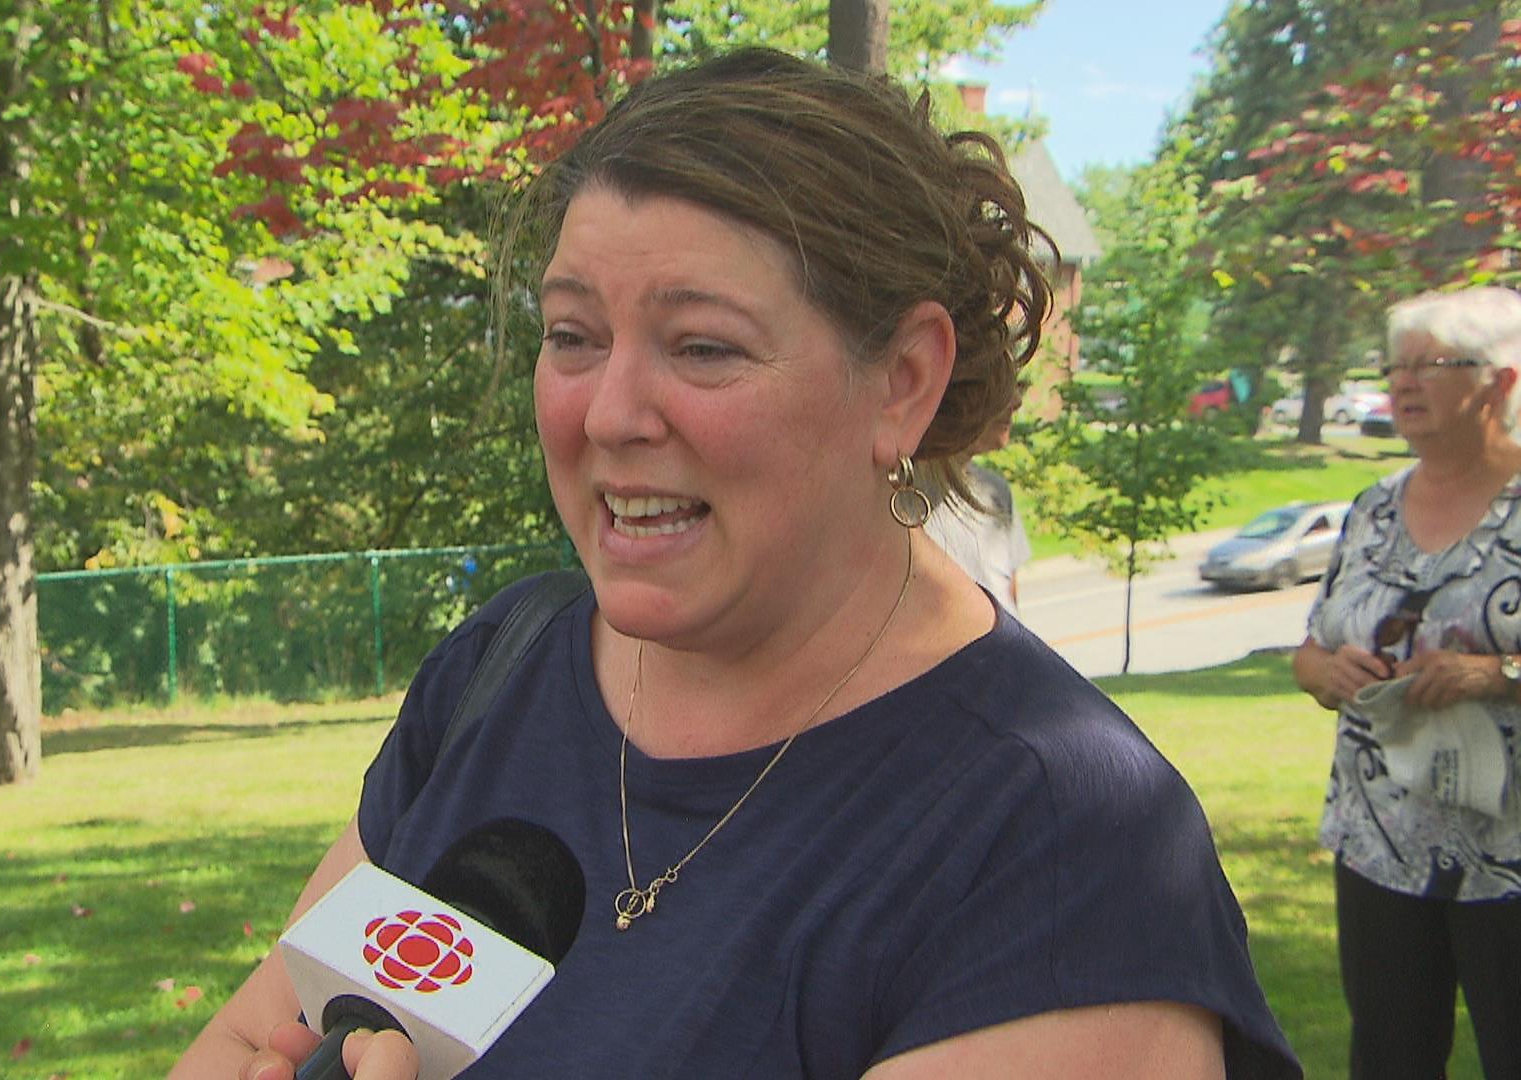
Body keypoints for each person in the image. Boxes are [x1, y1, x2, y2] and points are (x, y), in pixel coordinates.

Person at [175, 48, 1300, 1080]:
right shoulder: (498, 672)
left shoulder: (1050, 846)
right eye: (571, 335)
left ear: (902, 378)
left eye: (700, 346)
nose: (608, 412)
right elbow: (246, 1034)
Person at [1291, 285, 1521, 1080]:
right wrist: (1331, 671)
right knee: (1389, 1059)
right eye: (1395, 367)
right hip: (1379, 843)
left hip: (1509, 854)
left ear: (1500, 382)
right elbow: (1308, 654)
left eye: (1431, 365)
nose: (1402, 384)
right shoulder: (1372, 509)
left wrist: (1497, 673)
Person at [921, 389, 1030, 612]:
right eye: (1001, 382)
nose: (1017, 401)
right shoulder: (900, 502)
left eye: (1019, 384)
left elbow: (1010, 602)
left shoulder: (996, 492)